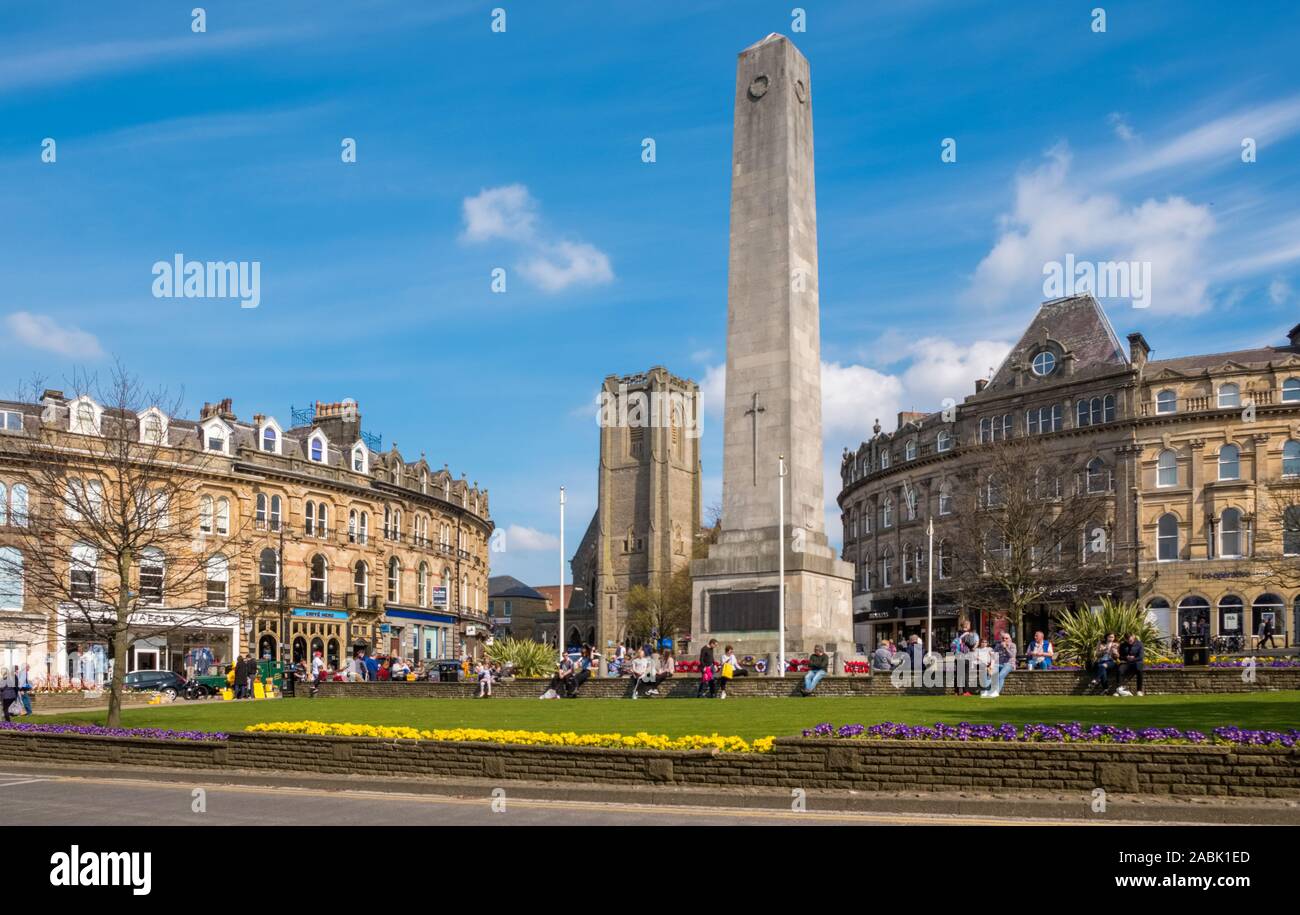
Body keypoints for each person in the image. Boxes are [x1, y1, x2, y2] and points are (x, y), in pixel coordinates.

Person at [982, 631, 1016, 698]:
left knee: (1000, 676)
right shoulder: (998, 645)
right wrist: (991, 654)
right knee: (989, 672)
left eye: (1006, 638)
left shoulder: (1012, 645)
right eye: (1003, 638)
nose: (1004, 639)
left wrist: (1005, 648)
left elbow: (1012, 656)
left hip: (1009, 664)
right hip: (999, 664)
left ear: (1010, 639)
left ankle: (996, 692)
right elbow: (994, 654)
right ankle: (986, 691)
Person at [951, 620, 980, 695]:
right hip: (965, 655)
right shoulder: (968, 634)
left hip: (958, 655)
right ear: (967, 625)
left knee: (958, 674)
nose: (969, 626)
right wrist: (974, 644)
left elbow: (953, 644)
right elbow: (971, 644)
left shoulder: (957, 633)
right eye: (968, 624)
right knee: (965, 674)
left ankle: (956, 692)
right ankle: (965, 691)